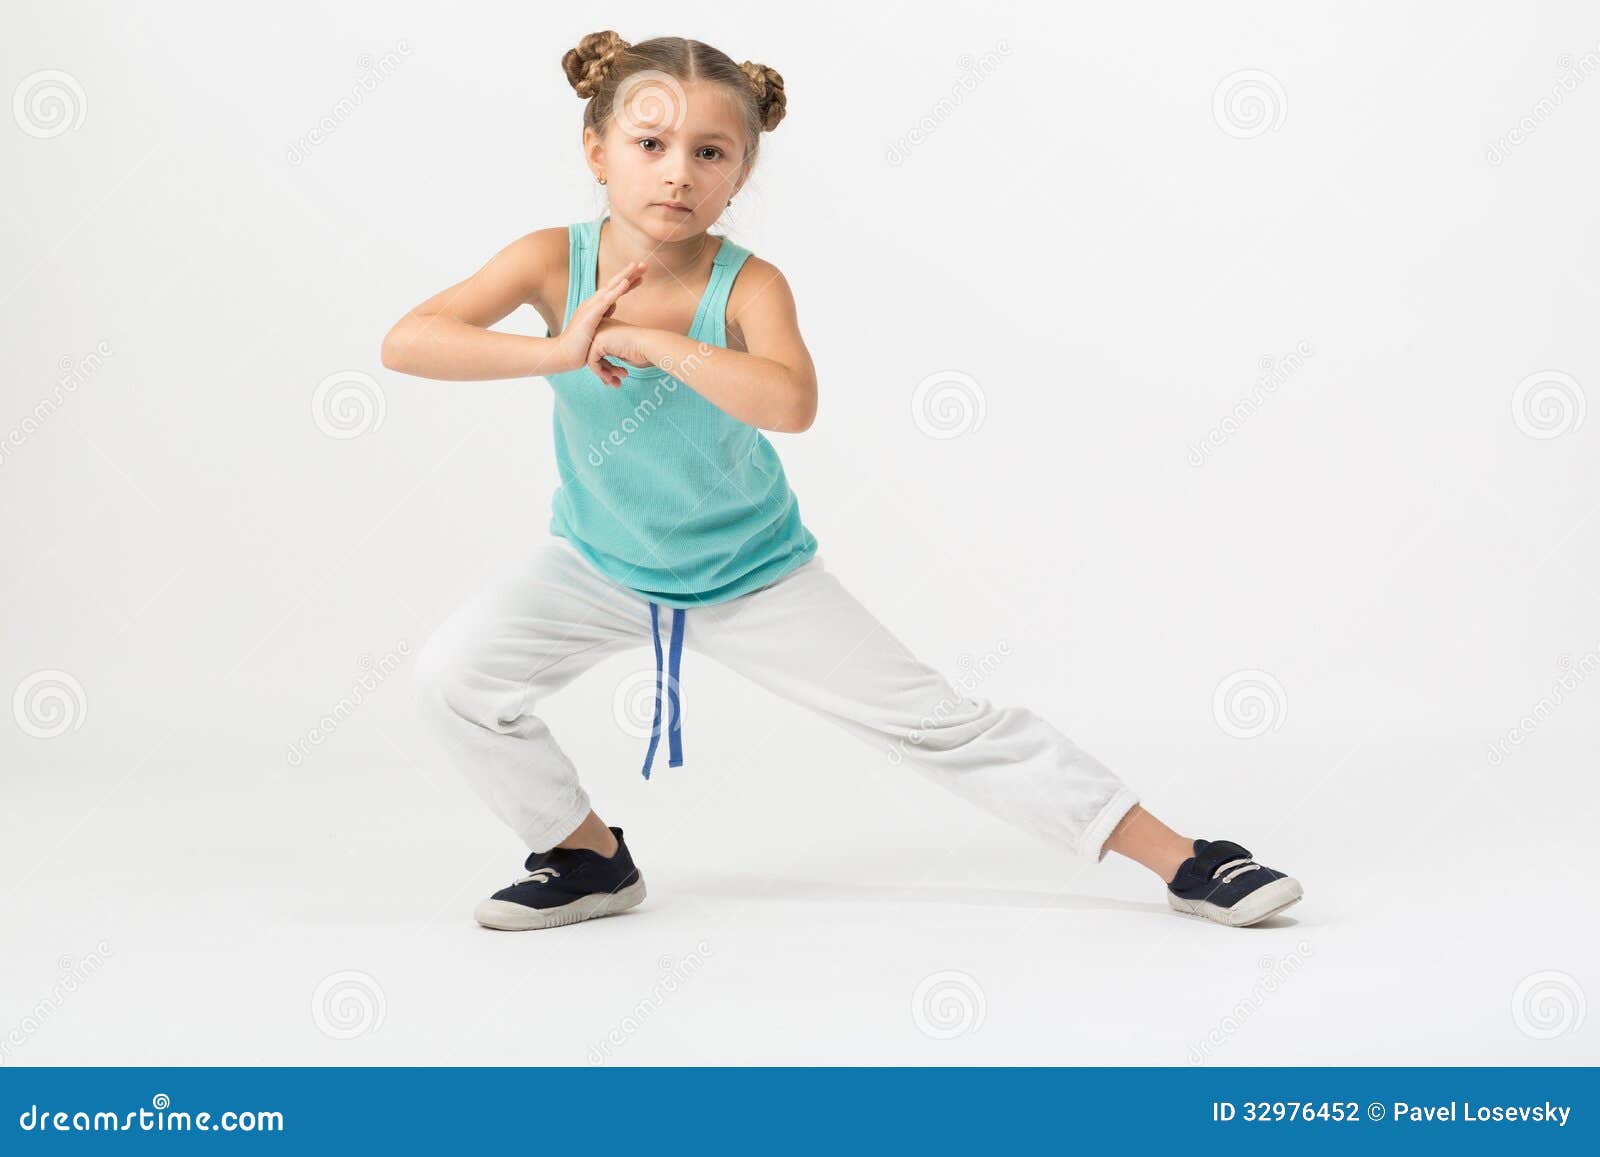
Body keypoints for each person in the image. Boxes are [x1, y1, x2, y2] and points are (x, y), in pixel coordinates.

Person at [380, 30, 1303, 933]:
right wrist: (558, 346)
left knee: (941, 722)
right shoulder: (552, 259)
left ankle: (1185, 857)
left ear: (740, 173)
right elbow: (409, 339)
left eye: (710, 153)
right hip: (596, 562)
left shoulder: (747, 285)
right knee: (451, 679)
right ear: (597, 149)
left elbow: (790, 403)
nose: (677, 174)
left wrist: (651, 341)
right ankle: (586, 855)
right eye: (650, 145)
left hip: (754, 574)